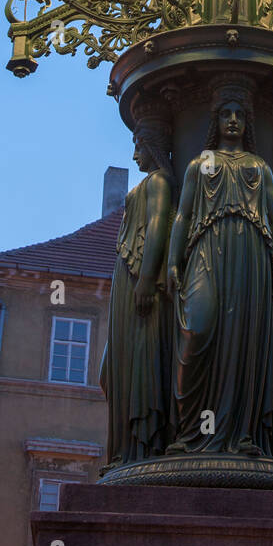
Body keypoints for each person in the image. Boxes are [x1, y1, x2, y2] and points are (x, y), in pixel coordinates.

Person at [166, 82, 273, 456]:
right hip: (206, 251)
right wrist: (172, 260)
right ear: (215, 120)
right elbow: (183, 215)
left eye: (239, 114)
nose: (232, 120)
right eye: (225, 114)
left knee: (244, 340)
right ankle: (192, 433)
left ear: (247, 121)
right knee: (198, 330)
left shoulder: (259, 167)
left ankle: (241, 433)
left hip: (250, 256)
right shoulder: (199, 165)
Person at [100, 119, 174, 468]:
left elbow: (159, 225)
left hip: (141, 278)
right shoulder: (147, 184)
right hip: (127, 275)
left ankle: (143, 445)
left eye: (140, 145)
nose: (135, 153)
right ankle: (126, 449)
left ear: (154, 146)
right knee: (118, 367)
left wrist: (147, 278)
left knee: (142, 358)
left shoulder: (159, 182)